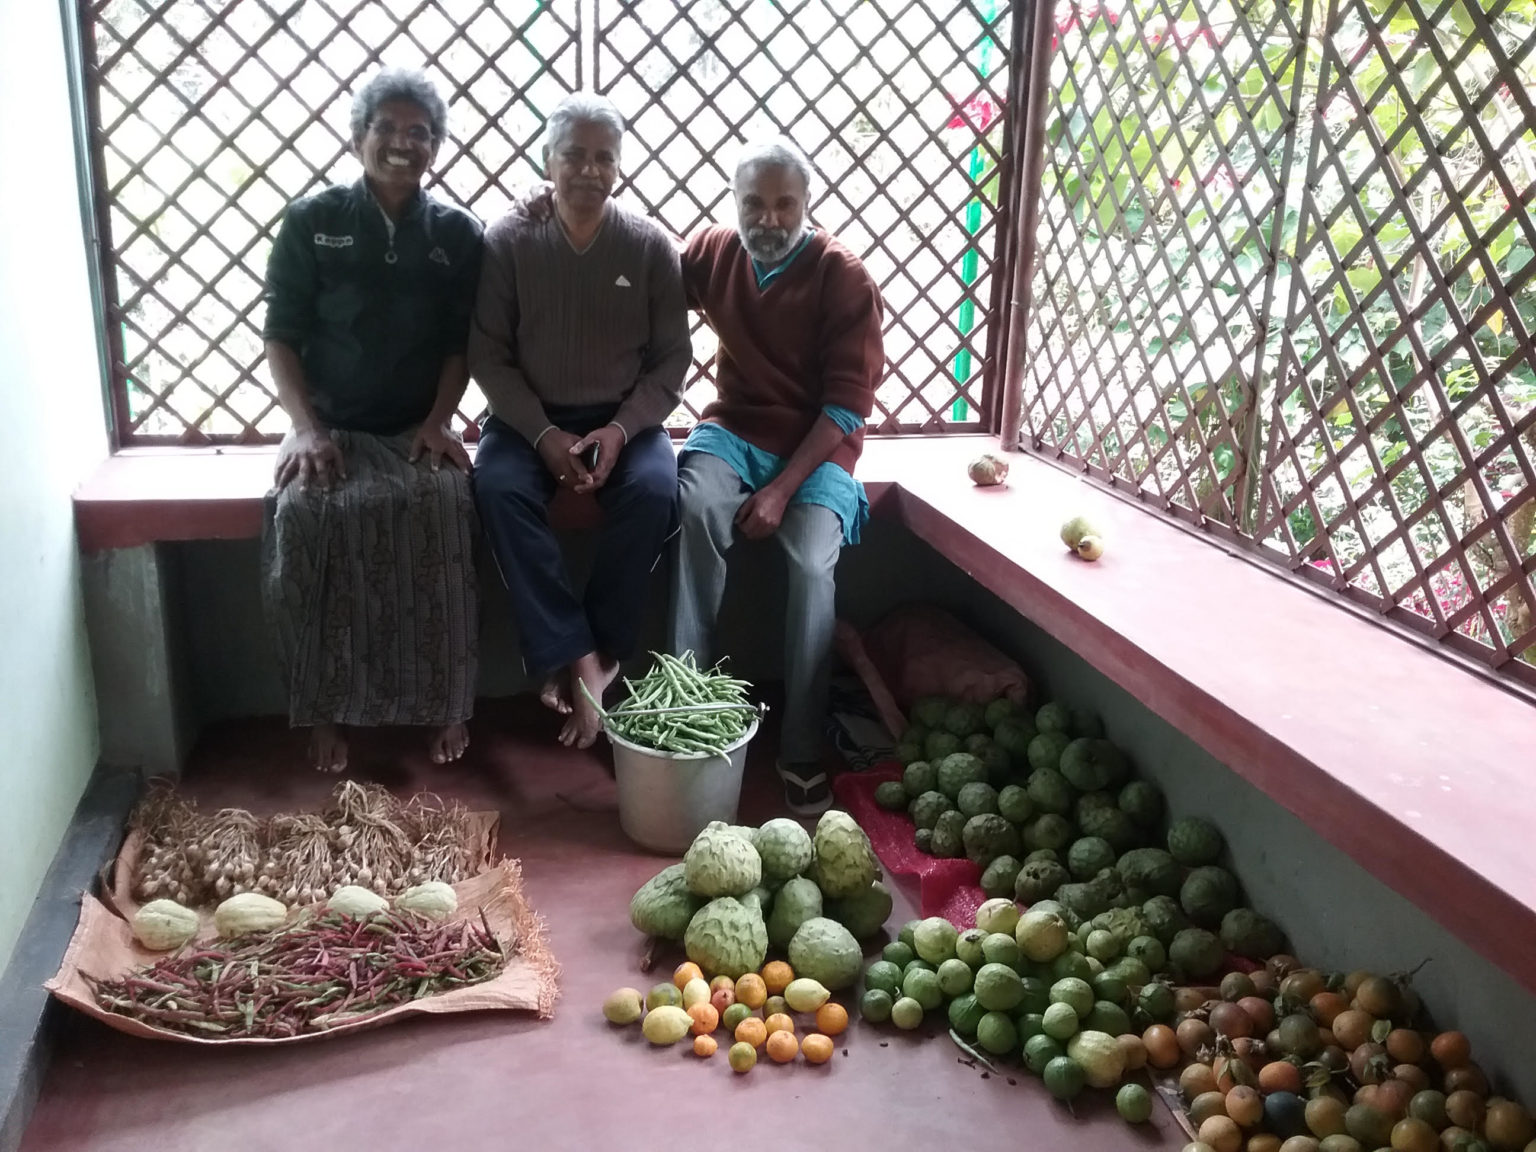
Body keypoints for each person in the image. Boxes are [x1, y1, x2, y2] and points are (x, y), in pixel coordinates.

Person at [261, 68, 483, 774]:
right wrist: (304, 427)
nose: (400, 144)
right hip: (333, 433)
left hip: (413, 430)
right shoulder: (313, 222)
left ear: (436, 148)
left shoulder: (457, 233)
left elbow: (460, 344)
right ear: (357, 136)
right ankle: (324, 711)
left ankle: (446, 703)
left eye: (418, 133)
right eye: (385, 128)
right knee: (301, 520)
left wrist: (440, 420)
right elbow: (281, 336)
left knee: (446, 507)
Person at [469, 92, 691, 750]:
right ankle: (577, 658)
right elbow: (488, 354)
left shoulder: (650, 246)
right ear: (547, 159)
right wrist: (543, 436)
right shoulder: (510, 238)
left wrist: (621, 431)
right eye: (573, 155)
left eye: (603, 158)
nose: (588, 170)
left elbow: (672, 360)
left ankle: (598, 651)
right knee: (498, 491)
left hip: (623, 420)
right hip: (528, 422)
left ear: (621, 165)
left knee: (656, 493)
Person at [669, 139, 884, 815]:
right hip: (736, 426)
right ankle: (689, 707)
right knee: (696, 506)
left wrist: (781, 491)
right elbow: (645, 278)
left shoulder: (841, 276)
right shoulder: (714, 252)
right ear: (734, 205)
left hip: (819, 445)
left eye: (783, 203)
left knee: (812, 558)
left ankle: (798, 747)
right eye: (752, 204)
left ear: (806, 203)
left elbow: (847, 404)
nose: (768, 218)